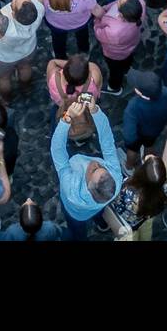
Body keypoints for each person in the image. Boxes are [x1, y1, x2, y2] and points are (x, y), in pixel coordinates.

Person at [50, 94, 123, 240]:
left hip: (75, 213)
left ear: (88, 185)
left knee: (76, 228)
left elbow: (58, 152)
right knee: (98, 210)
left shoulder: (71, 189)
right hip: (97, 204)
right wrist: (95, 110)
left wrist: (67, 118)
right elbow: (108, 143)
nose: (96, 163)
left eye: (94, 169)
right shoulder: (115, 177)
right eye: (101, 166)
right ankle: (102, 224)